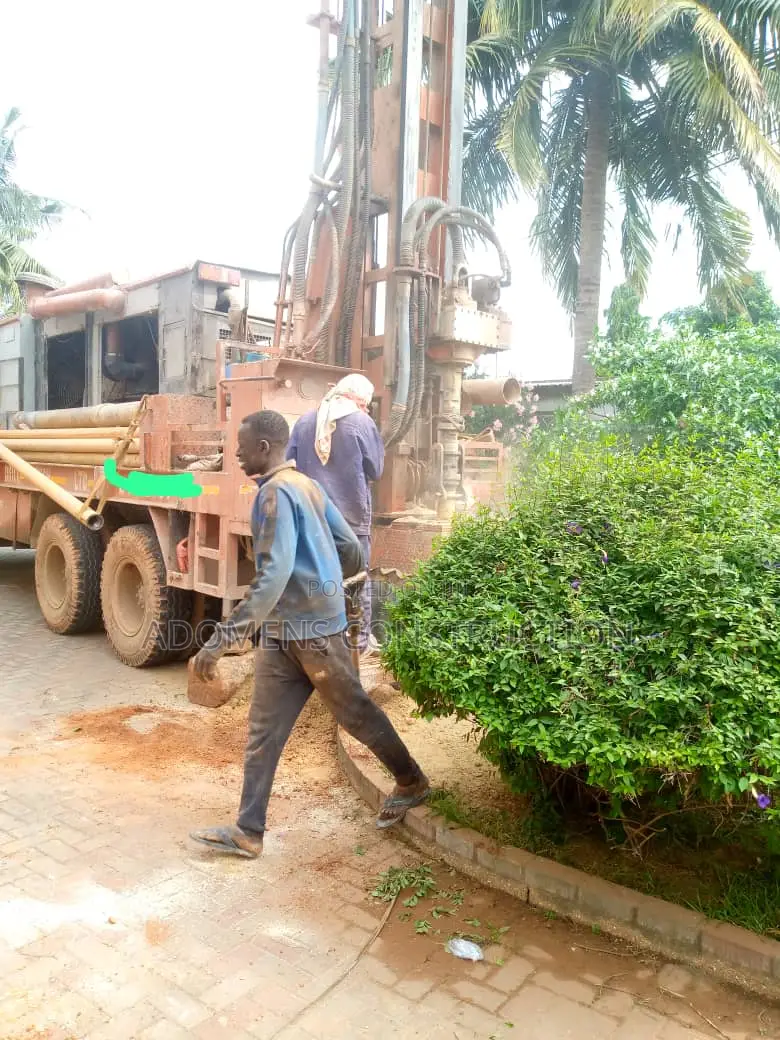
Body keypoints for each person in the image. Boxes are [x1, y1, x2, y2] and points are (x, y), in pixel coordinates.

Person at [189, 410, 429, 858]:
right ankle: (248, 831)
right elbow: (353, 551)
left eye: (241, 445)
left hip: (310, 635)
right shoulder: (309, 487)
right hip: (288, 635)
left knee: (355, 713)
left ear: (264, 447)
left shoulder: (275, 494)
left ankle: (412, 780)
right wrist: (328, 581)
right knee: (264, 731)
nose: (236, 452)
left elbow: (274, 573)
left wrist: (223, 639)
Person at [286, 374, 383, 652]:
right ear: (359, 399)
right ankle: (358, 643)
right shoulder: (362, 422)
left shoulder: (305, 421)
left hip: (311, 517)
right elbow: (376, 469)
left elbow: (288, 465)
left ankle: (313, 641)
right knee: (355, 580)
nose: (365, 409)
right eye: (365, 404)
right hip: (351, 518)